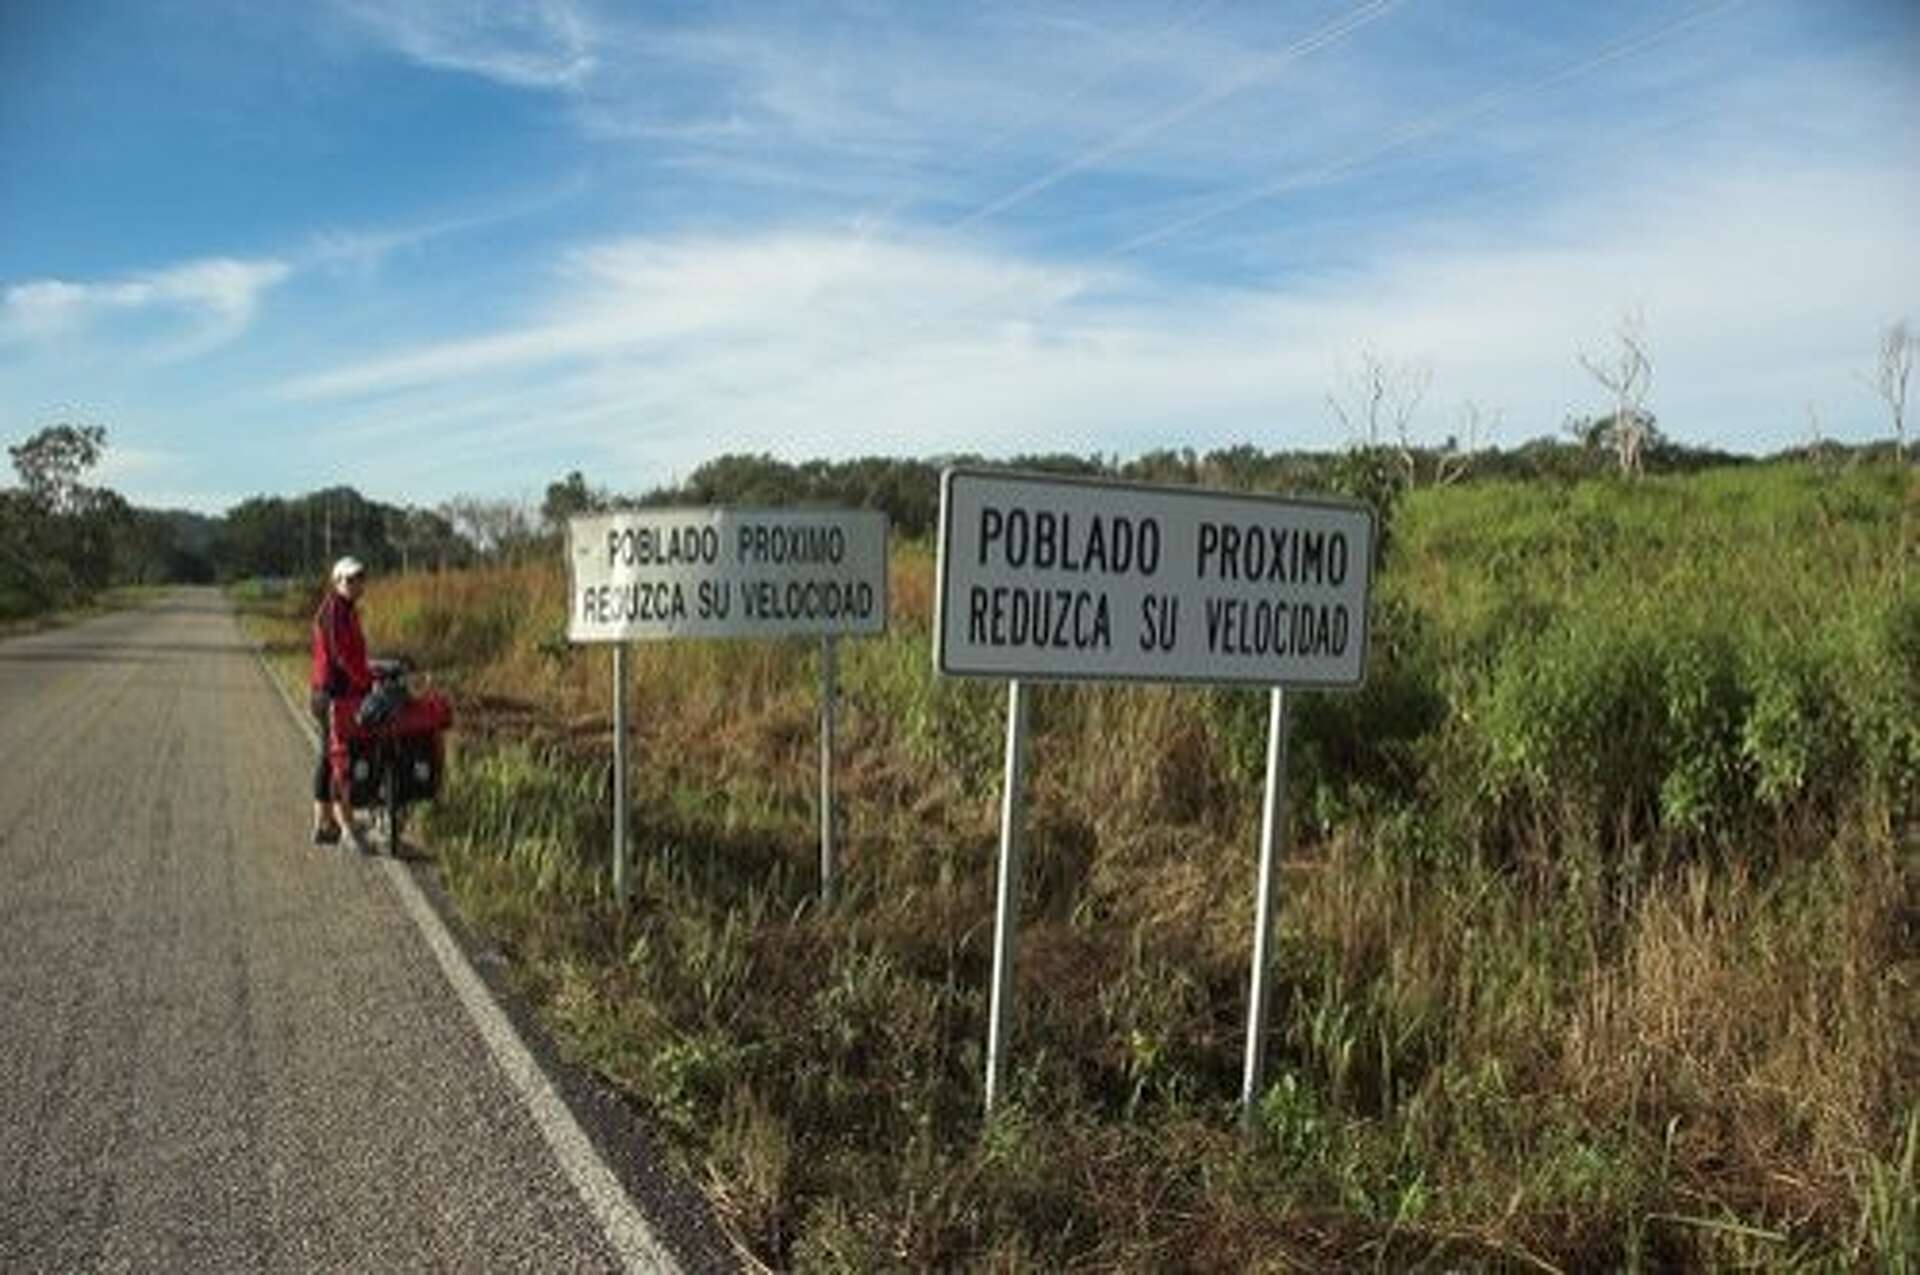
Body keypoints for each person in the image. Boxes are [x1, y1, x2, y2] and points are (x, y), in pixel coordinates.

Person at [309, 556, 373, 849]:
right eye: (348, 579)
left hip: (335, 692)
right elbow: (340, 655)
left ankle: (323, 822)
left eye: (359, 578)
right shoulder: (334, 610)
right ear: (336, 582)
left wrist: (367, 673)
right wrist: (364, 681)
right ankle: (345, 824)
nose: (355, 584)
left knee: (327, 756)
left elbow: (354, 652)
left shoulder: (346, 610)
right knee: (340, 758)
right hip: (331, 694)